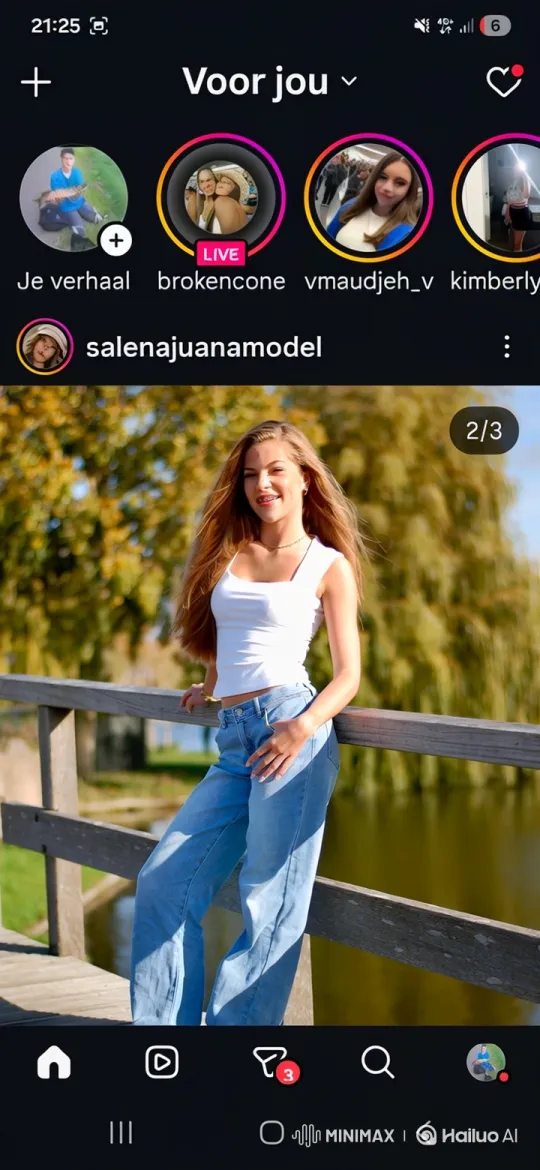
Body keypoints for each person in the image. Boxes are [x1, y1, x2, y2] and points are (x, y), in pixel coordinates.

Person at [130, 420, 364, 1026]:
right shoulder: (231, 552)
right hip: (234, 738)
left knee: (270, 906)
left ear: (305, 479)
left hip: (291, 732)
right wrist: (211, 684)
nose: (263, 484)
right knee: (163, 883)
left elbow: (348, 676)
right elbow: (231, 632)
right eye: (252, 474)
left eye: (276, 470)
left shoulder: (328, 565)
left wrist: (302, 726)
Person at [325, 151, 421, 252]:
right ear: (374, 178)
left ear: (410, 190)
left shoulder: (406, 234)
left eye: (400, 183)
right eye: (383, 177)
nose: (387, 188)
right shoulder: (350, 206)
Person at [45, 148, 104, 242]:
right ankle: (68, 217)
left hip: (80, 202)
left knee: (97, 219)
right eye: (66, 158)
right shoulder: (54, 176)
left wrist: (77, 193)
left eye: (71, 158)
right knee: (80, 233)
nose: (68, 161)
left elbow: (78, 190)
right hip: (67, 207)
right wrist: (57, 199)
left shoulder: (77, 172)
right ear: (61, 159)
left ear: (74, 159)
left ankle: (84, 213)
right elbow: (59, 200)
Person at [186, 166, 250, 234]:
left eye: (227, 183)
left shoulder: (222, 202)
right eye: (201, 182)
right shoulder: (204, 202)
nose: (206, 185)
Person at [504, 164, 531, 252]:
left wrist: (524, 177)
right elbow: (509, 200)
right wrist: (507, 214)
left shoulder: (526, 180)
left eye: (518, 168)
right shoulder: (512, 181)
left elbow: (526, 195)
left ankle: (519, 263)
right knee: (513, 242)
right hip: (513, 211)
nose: (516, 170)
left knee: (517, 245)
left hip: (521, 212)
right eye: (515, 168)